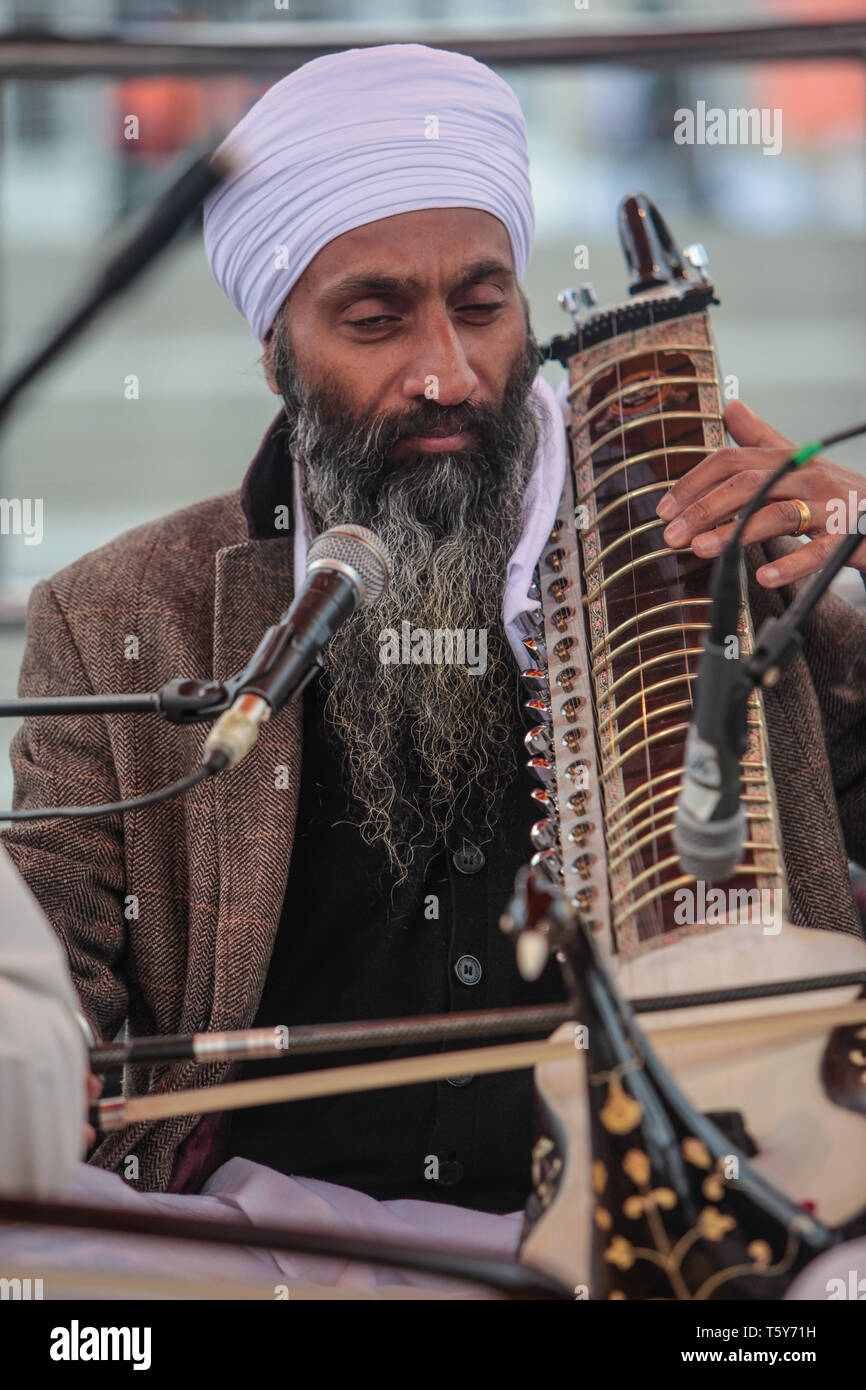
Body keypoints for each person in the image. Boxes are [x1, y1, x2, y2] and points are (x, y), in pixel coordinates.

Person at [3, 44, 866, 1230]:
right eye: (374, 319)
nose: (446, 374)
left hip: (697, 1237)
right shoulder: (115, 623)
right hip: (269, 1246)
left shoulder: (696, 560)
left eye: (479, 307)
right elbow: (46, 1005)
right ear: (275, 355)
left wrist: (857, 555)